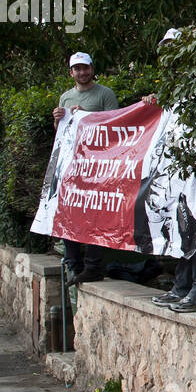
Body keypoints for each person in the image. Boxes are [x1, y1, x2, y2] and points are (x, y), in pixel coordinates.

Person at [141, 28, 196, 314]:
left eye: (175, 47)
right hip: (178, 169)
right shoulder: (172, 85)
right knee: (181, 225)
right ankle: (183, 286)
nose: (171, 54)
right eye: (167, 48)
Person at [53, 52, 121, 283]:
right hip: (73, 167)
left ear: (92, 69)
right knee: (68, 213)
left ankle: (93, 267)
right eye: (77, 69)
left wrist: (86, 116)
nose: (82, 72)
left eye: (85, 68)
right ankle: (73, 264)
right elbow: (62, 134)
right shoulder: (65, 97)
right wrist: (58, 120)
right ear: (71, 72)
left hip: (98, 167)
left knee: (95, 217)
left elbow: (115, 126)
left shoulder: (105, 94)